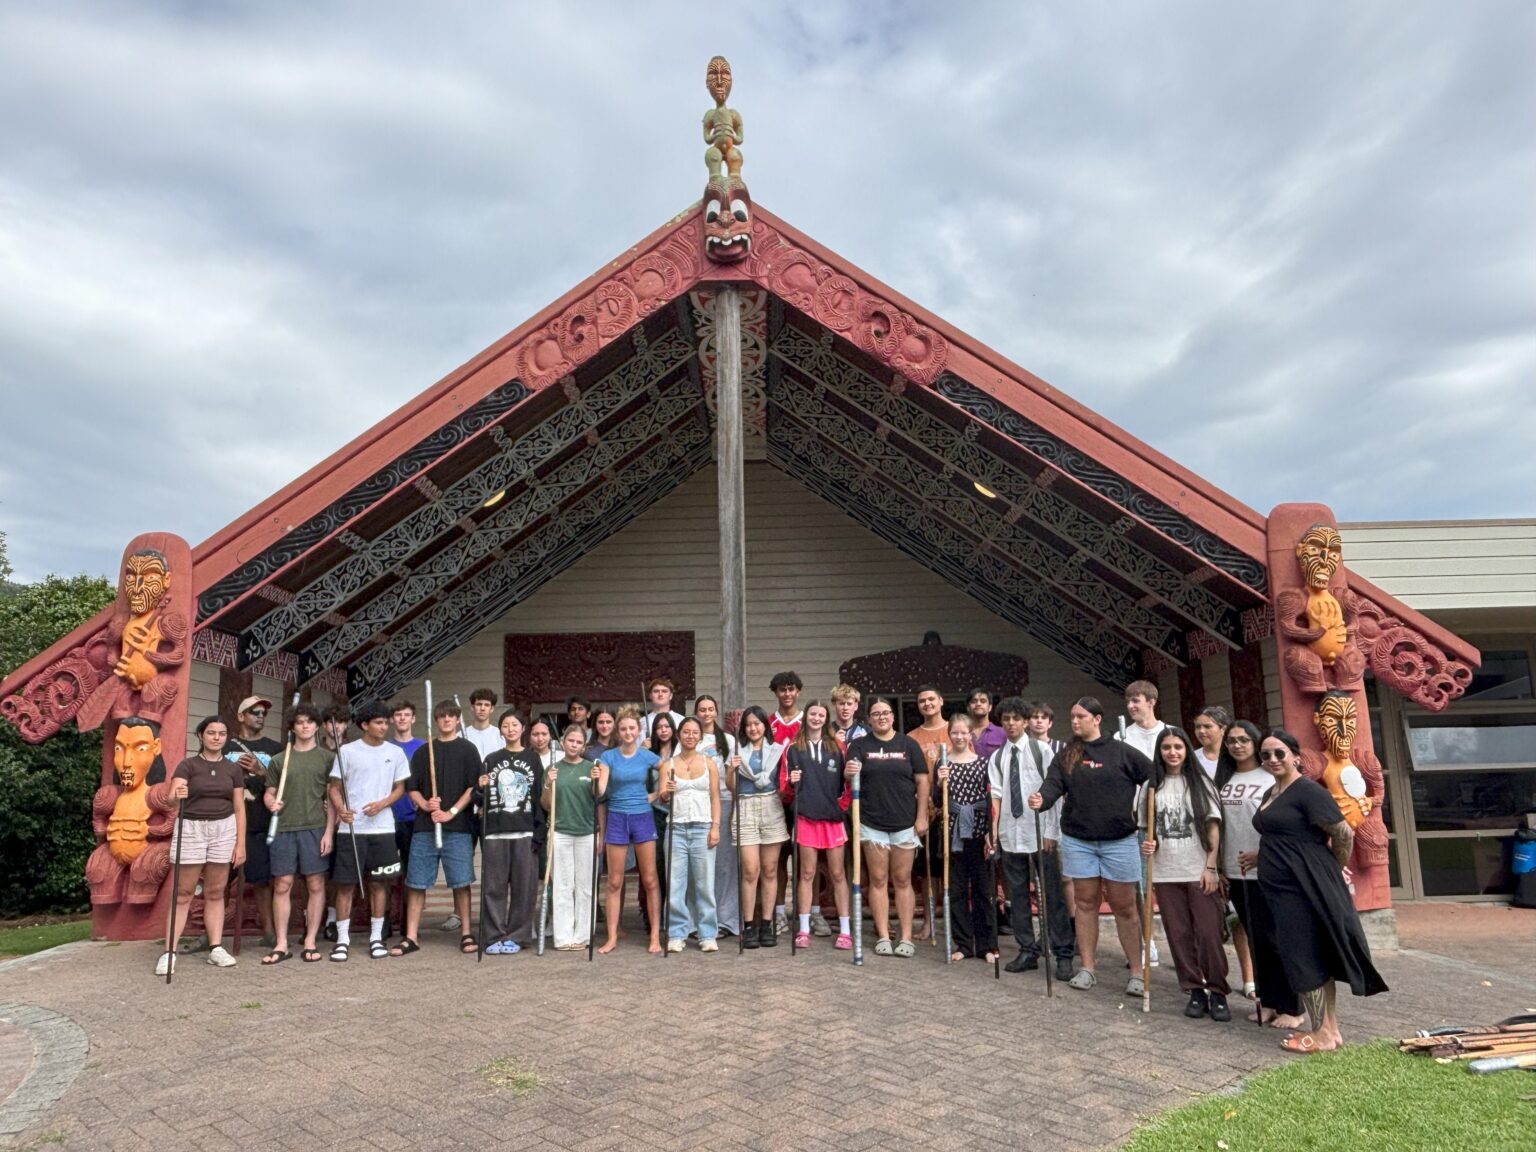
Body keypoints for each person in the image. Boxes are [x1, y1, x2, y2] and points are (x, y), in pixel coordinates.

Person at [1254, 729, 1388, 1053]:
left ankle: (1321, 1035)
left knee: (1302, 956)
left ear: (1295, 756)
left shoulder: (1307, 791)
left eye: (1279, 753)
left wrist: (1329, 866)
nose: (1272, 759)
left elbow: (1342, 831)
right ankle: (1329, 1029)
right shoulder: (1272, 792)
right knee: (1314, 954)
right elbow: (1283, 836)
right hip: (1282, 888)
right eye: (1266, 755)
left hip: (1303, 887)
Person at [1029, 696, 1151, 994]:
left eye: (1081, 716)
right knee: (1085, 904)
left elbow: (1155, 778)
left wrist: (1148, 820)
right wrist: (1042, 799)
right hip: (1078, 840)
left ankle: (1136, 971)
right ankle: (1087, 968)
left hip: (1120, 840)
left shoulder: (1122, 752)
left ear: (1097, 719)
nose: (1075, 721)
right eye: (1072, 716)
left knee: (1125, 907)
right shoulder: (1068, 754)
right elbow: (1053, 785)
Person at [1138, 727, 1230, 1021]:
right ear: (1159, 752)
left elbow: (1213, 827)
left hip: (1198, 869)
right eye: (1166, 747)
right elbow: (1144, 829)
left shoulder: (1201, 783)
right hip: (1165, 872)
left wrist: (1211, 866)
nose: (1172, 753)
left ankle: (1217, 991)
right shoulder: (1151, 786)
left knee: (1208, 934)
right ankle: (1193, 990)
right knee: (1179, 935)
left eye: (1178, 747)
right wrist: (1147, 844)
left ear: (1186, 750)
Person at [1218, 720, 1304, 1028]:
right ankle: (1268, 1002)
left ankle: (1292, 1007)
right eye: (1231, 740)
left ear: (1255, 742)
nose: (1237, 745)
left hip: (1269, 870)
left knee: (1277, 940)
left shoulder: (1271, 776)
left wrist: (1265, 857)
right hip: (1235, 870)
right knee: (1256, 941)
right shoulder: (1224, 778)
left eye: (1243, 739)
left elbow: (1286, 826)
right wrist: (1218, 865)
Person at [989, 696, 1073, 979]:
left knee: (1052, 895)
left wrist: (1052, 831)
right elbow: (997, 798)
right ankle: (1027, 949)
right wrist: (994, 833)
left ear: (1025, 721)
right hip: (1011, 835)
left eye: (1016, 718)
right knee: (1018, 896)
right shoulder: (998, 756)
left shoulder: (1041, 751)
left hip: (1040, 832)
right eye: (1006, 719)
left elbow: (1055, 791)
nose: (1011, 724)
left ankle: (1062, 951)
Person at [391, 698, 481, 957]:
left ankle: (466, 932)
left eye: (451, 716)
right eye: (442, 717)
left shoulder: (468, 750)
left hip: (459, 827)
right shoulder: (423, 752)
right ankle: (411, 936)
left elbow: (473, 787)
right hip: (425, 827)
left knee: (461, 881)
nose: (446, 720)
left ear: (457, 719)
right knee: (417, 882)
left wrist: (450, 812)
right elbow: (412, 789)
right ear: (436, 721)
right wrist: (428, 807)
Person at [160, 716, 246, 974]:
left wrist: (240, 844)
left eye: (221, 733)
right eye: (211, 733)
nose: (216, 737)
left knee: (216, 892)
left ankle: (216, 947)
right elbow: (172, 800)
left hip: (223, 827)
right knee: (184, 892)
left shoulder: (233, 769)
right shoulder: (188, 765)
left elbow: (239, 808)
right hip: (192, 826)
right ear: (201, 736)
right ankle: (169, 952)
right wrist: (177, 794)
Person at [847, 697, 930, 957]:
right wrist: (849, 772)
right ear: (869, 719)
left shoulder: (909, 744)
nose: (881, 717)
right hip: (872, 823)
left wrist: (922, 816)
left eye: (886, 713)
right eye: (876, 714)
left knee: (903, 879)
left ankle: (906, 936)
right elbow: (849, 775)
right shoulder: (859, 745)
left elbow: (922, 782)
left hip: (905, 823)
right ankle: (883, 935)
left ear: (893, 717)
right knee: (879, 879)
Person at [328, 701, 410, 962]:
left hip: (383, 828)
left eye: (386, 722)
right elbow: (333, 787)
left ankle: (376, 937)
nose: (384, 726)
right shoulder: (347, 752)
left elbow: (400, 788)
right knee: (345, 886)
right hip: (352, 829)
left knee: (379, 884)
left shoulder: (395, 753)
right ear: (364, 724)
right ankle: (342, 939)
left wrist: (382, 803)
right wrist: (341, 810)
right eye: (379, 722)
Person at [262, 703, 335, 965]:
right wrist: (271, 803)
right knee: (282, 884)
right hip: (283, 829)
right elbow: (269, 792)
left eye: (309, 722)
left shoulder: (327, 759)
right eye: (300, 722)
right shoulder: (280, 759)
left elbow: (332, 799)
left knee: (316, 884)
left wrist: (329, 833)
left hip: (315, 828)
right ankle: (282, 943)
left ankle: (311, 940)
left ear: (317, 726)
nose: (305, 726)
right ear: (293, 727)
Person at [782, 702, 852, 950]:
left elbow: (847, 783)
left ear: (826, 718)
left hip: (832, 819)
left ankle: (845, 930)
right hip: (806, 817)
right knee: (806, 873)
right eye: (813, 713)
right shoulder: (792, 748)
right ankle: (803, 929)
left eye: (821, 715)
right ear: (806, 716)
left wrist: (840, 806)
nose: (816, 718)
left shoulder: (837, 747)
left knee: (837, 874)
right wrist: (791, 783)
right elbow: (785, 790)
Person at [596, 707, 662, 953]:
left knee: (650, 879)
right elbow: (601, 790)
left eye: (631, 728)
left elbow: (666, 767)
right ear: (617, 730)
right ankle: (612, 936)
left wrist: (657, 793)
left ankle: (655, 936)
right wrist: (595, 783)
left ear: (638, 731)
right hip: (616, 817)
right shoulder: (608, 757)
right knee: (614, 880)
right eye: (623, 728)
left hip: (642, 817)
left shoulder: (646, 755)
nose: (627, 732)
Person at [478, 708, 541, 955]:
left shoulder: (533, 759)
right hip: (496, 830)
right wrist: (479, 786)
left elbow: (538, 797)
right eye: (505, 726)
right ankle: (493, 935)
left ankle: (518, 935)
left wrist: (539, 831)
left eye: (515, 725)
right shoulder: (490, 760)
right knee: (493, 886)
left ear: (523, 728)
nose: (510, 730)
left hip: (524, 830)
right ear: (500, 730)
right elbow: (480, 799)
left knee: (524, 888)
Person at [937, 713, 997, 962]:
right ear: (949, 734)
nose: (959, 737)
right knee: (957, 890)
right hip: (953, 835)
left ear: (971, 734)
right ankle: (963, 943)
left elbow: (992, 799)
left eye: (964, 732)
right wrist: (940, 783)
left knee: (984, 890)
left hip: (979, 832)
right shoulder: (942, 764)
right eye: (955, 732)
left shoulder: (984, 763)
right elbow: (935, 801)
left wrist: (990, 832)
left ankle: (987, 945)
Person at [658, 717, 721, 952]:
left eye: (695, 732)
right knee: (675, 883)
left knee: (704, 884)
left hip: (702, 827)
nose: (690, 736)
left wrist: (716, 827)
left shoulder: (709, 763)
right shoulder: (669, 764)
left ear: (700, 736)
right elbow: (663, 796)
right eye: (686, 732)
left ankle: (707, 933)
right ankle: (676, 933)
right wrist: (666, 792)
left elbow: (715, 796)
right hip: (676, 827)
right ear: (679, 735)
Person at [730, 706, 789, 947]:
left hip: (771, 807)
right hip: (745, 806)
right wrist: (732, 769)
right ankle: (748, 924)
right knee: (750, 870)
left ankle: (767, 922)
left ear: (765, 725)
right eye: (748, 724)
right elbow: (732, 785)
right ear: (744, 729)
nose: (753, 728)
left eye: (757, 723)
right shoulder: (738, 751)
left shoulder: (777, 750)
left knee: (770, 869)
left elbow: (783, 780)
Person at [226, 695, 281, 948]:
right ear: (241, 716)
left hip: (259, 822)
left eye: (263, 713)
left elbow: (285, 784)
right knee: (220, 881)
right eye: (253, 712)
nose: (259, 716)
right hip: (225, 824)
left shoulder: (275, 748)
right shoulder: (224, 746)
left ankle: (269, 932)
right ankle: (210, 935)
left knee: (261, 880)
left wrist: (262, 771)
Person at [542, 725, 599, 950]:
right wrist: (548, 783)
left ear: (584, 746)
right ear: (563, 742)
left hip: (585, 832)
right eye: (570, 740)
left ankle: (583, 936)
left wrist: (595, 780)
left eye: (578, 742)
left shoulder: (592, 767)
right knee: (562, 885)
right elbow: (546, 804)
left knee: (584, 886)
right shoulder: (552, 768)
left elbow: (598, 797)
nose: (574, 745)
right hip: (559, 830)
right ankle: (563, 937)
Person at [695, 695, 739, 938]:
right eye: (702, 709)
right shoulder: (691, 737)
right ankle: (702, 920)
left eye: (711, 709)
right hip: (698, 804)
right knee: (702, 866)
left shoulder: (728, 740)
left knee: (725, 865)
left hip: (723, 800)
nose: (707, 713)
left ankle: (726, 919)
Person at [906, 684, 948, 941]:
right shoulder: (911, 738)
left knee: (950, 870)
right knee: (927, 871)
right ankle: (929, 921)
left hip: (951, 811)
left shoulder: (953, 732)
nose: (927, 704)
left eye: (931, 699)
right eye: (922, 701)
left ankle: (955, 922)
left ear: (941, 701)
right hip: (925, 811)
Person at [766, 672, 804, 936]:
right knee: (777, 860)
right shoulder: (768, 724)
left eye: (791, 689)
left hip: (804, 799)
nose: (787, 694)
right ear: (776, 693)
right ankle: (778, 912)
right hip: (775, 800)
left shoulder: (809, 721)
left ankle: (807, 914)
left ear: (798, 692)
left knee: (806, 861)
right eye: (782, 690)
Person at [387, 699, 424, 937]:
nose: (402, 718)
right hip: (387, 819)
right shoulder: (384, 747)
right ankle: (384, 923)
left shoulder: (422, 748)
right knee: (386, 874)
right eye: (398, 714)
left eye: (406, 714)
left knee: (413, 874)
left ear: (413, 719)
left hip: (414, 820)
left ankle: (408, 927)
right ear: (392, 719)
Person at [1116, 680, 1166, 761]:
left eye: (1135, 701)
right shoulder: (1120, 737)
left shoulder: (1170, 732)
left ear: (1151, 702)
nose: (1130, 706)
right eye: (1128, 702)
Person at [1190, 705, 1232, 781]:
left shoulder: (1234, 755)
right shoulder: (1192, 758)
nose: (1201, 731)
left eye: (1207, 726)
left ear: (1223, 729)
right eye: (1198, 727)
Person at [463, 688, 504, 761]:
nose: (482, 708)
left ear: (492, 709)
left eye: (487, 705)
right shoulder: (461, 735)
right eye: (479, 704)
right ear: (472, 707)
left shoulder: (500, 736)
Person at [639, 678, 685, 743]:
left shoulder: (681, 720)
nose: (660, 694)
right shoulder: (641, 722)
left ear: (671, 696)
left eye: (664, 691)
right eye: (656, 691)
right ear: (650, 695)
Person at [967, 688, 1007, 761]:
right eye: (974, 701)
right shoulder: (961, 733)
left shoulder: (1003, 733)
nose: (978, 704)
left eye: (983, 701)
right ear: (968, 708)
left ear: (990, 707)